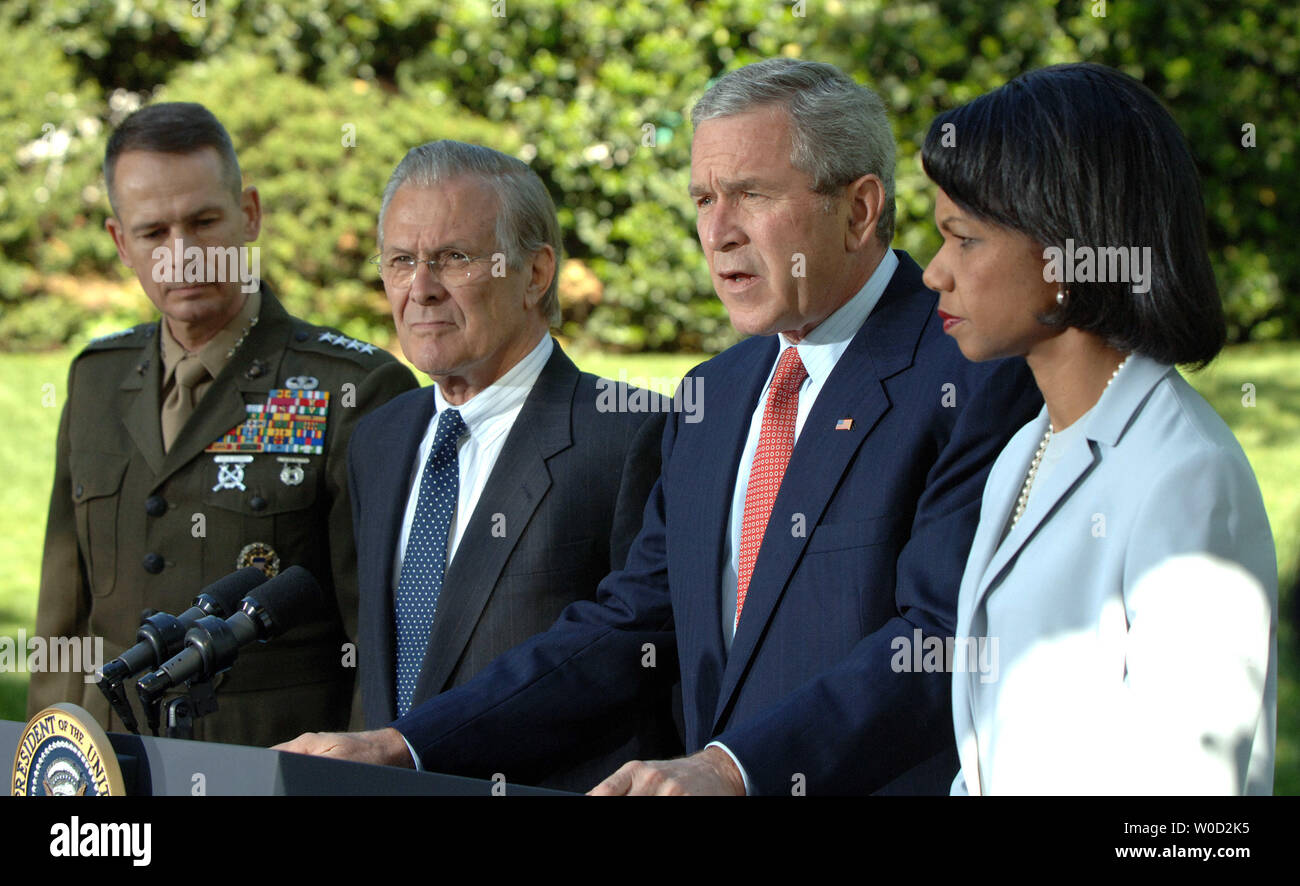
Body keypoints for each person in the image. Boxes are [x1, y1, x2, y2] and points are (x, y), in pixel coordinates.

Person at [277, 58, 1041, 795]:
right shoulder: (712, 395)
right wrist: (408, 744)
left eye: (750, 193)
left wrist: (734, 769)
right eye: (704, 199)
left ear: (861, 208)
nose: (720, 231)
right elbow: (629, 627)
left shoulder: (974, 371)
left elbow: (935, 640)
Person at [920, 62, 1277, 794]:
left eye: (965, 240)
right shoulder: (1028, 445)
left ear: (1068, 254)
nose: (934, 272)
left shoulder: (1185, 476)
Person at [28, 102, 419, 746]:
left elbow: (381, 637)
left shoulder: (353, 389)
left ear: (250, 215)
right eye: (153, 232)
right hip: (113, 771)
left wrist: (351, 777)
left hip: (267, 766)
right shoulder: (95, 379)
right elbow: (63, 624)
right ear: (121, 243)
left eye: (203, 221)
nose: (182, 255)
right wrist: (45, 760)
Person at [346, 141, 679, 790]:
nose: (421, 289)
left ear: (535, 273)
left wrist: (406, 747)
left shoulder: (633, 434)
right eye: (400, 261)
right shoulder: (379, 439)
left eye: (454, 258)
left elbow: (627, 656)